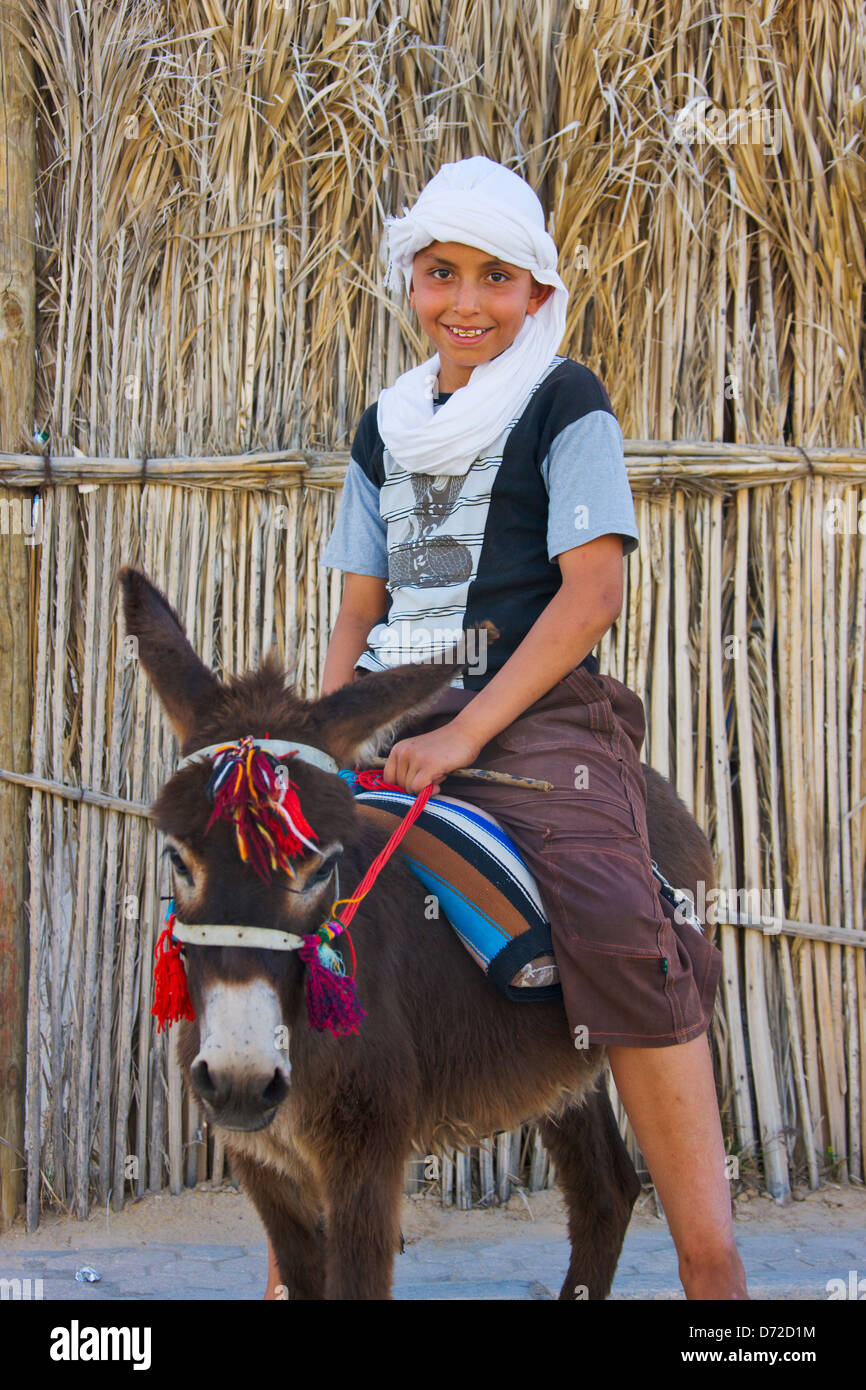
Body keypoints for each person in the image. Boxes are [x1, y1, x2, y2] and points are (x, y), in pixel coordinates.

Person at [264, 156, 747, 1300]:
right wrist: (328, 743)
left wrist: (467, 733)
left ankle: (711, 1266)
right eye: (441, 273)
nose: (465, 300)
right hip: (388, 709)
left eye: (495, 275)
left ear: (536, 291)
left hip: (536, 715)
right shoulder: (384, 427)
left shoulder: (561, 399)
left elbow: (588, 596)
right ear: (411, 284)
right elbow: (357, 606)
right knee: (260, 889)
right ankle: (292, 1265)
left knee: (617, 913)